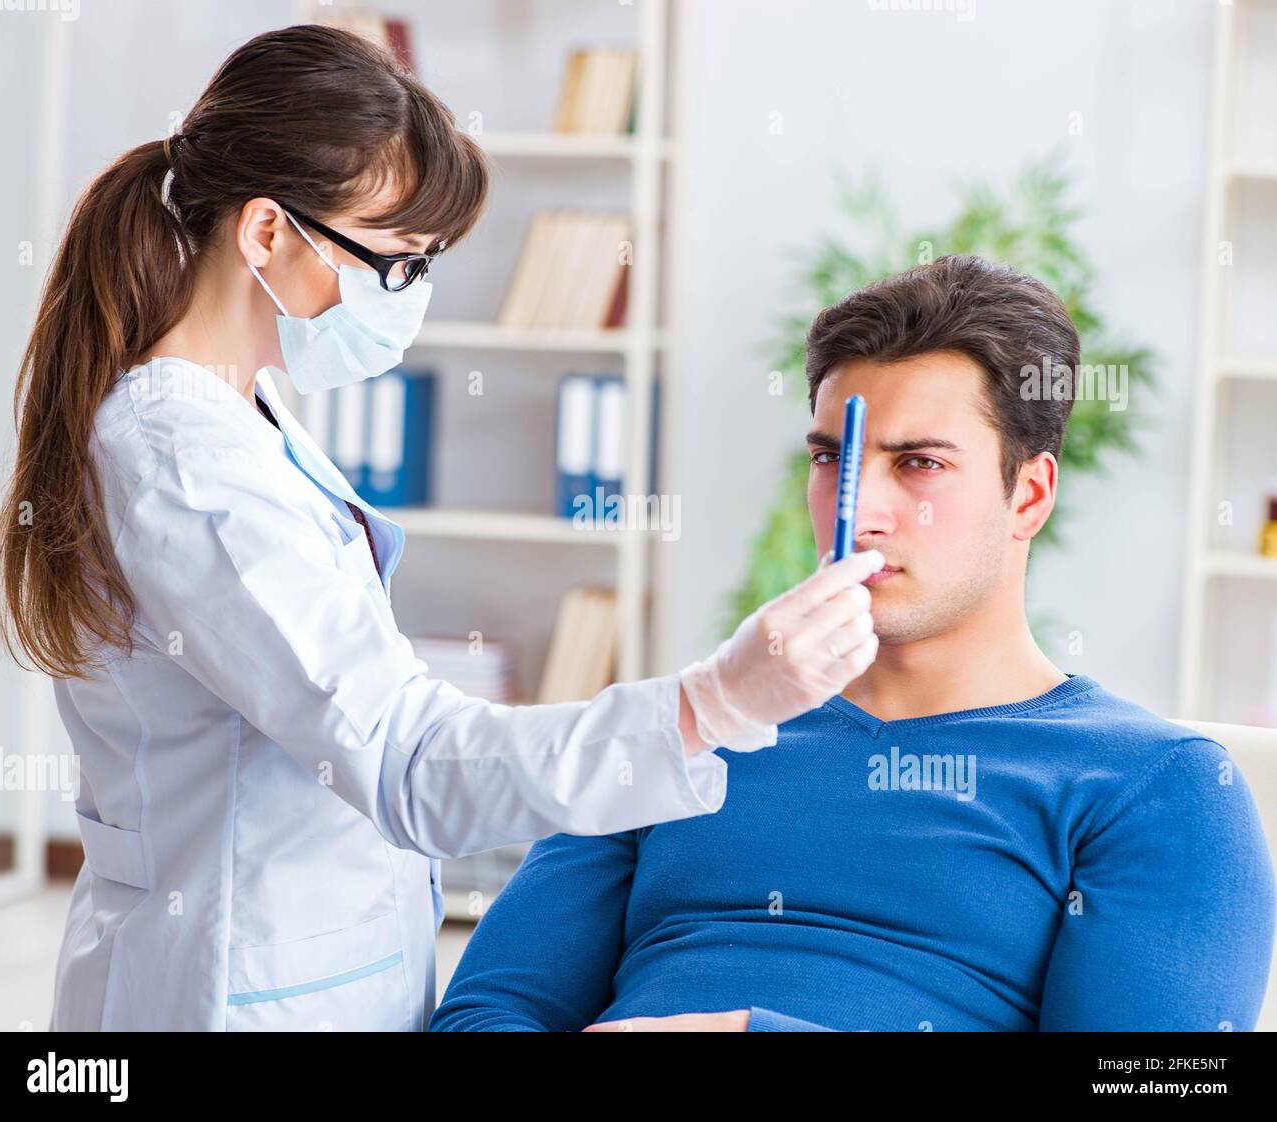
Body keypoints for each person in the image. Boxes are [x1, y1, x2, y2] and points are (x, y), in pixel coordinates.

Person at [0, 25, 881, 1031]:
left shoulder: (246, 414)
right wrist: (713, 702)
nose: (405, 295)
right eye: (396, 263)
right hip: (233, 987)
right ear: (267, 234)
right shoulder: (184, 462)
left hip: (314, 951)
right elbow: (410, 766)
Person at [431, 255, 1276, 1032]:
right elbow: (488, 1014)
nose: (857, 510)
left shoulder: (1154, 787)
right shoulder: (684, 732)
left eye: (919, 465)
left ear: (1029, 496)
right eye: (832, 456)